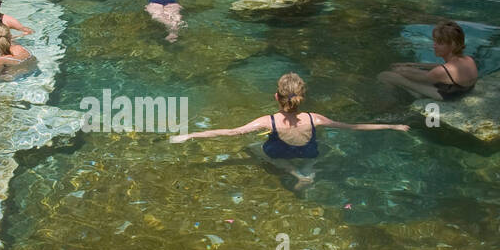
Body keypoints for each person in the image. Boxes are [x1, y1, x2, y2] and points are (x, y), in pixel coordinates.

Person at [169, 73, 409, 189]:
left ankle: (295, 174)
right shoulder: (315, 118)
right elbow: (354, 127)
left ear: (276, 96)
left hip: (279, 153)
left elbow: (231, 132)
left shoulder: (267, 121)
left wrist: (189, 134)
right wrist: (392, 125)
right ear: (302, 98)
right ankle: (309, 171)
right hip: (309, 152)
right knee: (315, 152)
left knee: (254, 149)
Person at [378, 20, 480, 101]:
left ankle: (393, 100)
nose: (434, 46)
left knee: (385, 75)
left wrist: (401, 69)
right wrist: (411, 64)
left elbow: (415, 76)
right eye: (434, 41)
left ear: (452, 45)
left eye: (439, 43)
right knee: (402, 69)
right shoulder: (468, 59)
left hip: (447, 95)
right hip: (460, 90)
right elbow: (445, 68)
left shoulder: (441, 71)